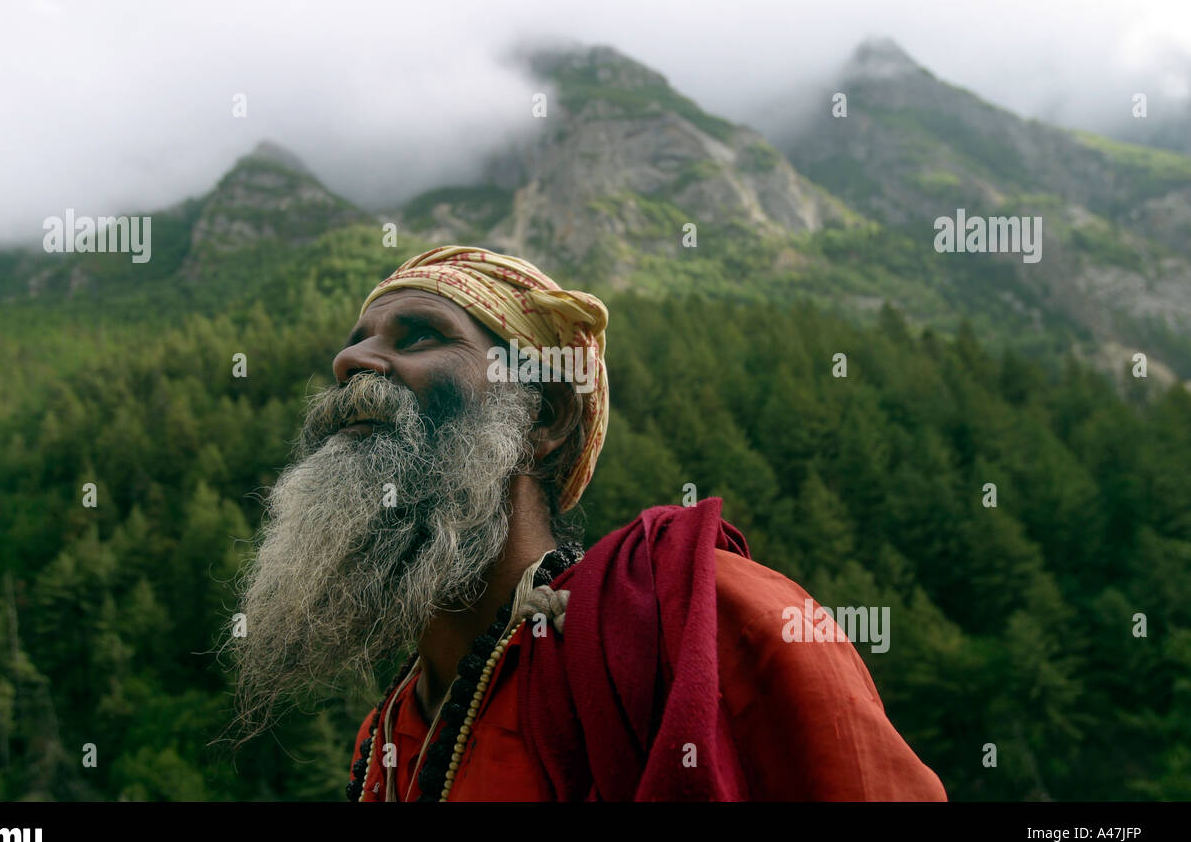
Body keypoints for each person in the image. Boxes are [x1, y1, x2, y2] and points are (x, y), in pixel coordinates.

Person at [232, 244, 947, 802]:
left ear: (543, 415)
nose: (352, 359)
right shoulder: (387, 737)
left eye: (420, 335)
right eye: (357, 341)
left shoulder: (706, 619)